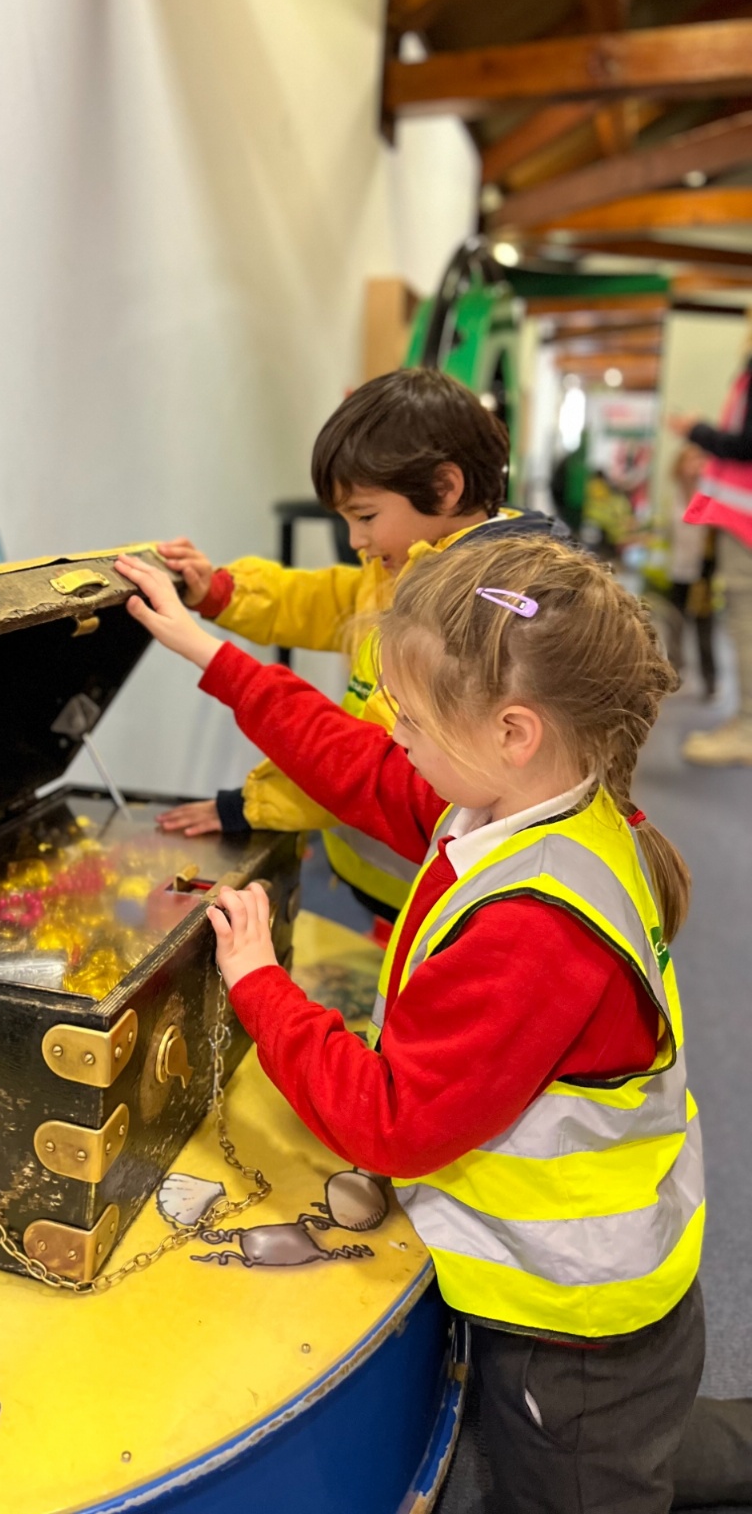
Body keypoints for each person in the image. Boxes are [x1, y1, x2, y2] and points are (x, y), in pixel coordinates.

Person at [116, 537, 750, 1512]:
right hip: (615, 1314)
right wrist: (210, 650)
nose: (392, 728)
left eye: (409, 713)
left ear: (513, 730)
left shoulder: (534, 930)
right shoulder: (549, 804)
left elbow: (390, 1117)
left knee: (584, 1476)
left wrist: (261, 981)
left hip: (572, 1329)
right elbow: (358, 765)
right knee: (645, 1434)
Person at [155, 368, 565, 935]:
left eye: (366, 516)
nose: (355, 542)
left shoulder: (469, 614)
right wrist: (221, 592)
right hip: (385, 882)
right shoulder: (414, 562)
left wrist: (248, 804)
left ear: (445, 488)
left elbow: (369, 768)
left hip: (435, 899)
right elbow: (330, 599)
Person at [670, 350, 752, 766]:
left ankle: (748, 727)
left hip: (746, 521)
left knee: (743, 619)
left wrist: (696, 430)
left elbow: (745, 443)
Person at [663, 445, 717, 702]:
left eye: (698, 459)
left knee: (704, 630)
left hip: (703, 574)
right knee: (675, 623)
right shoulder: (676, 495)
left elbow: (701, 525)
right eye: (689, 459)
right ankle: (673, 673)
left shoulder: (709, 494)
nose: (693, 465)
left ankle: (711, 682)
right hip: (679, 570)